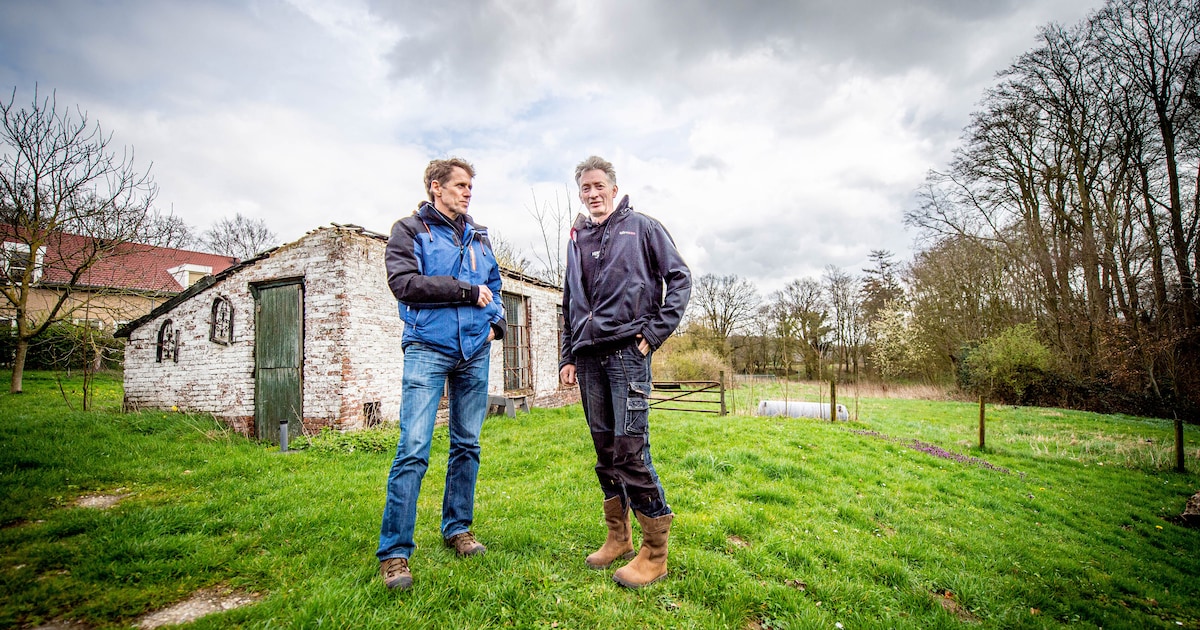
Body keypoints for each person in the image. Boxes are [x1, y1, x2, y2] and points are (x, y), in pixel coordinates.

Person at [559, 155, 691, 588]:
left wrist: (654, 333)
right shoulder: (577, 237)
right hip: (590, 358)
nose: (592, 194)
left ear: (614, 189)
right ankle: (619, 536)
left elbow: (680, 278)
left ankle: (656, 554)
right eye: (585, 189)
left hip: (628, 357)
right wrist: (568, 355)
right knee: (604, 453)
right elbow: (569, 302)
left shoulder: (644, 228)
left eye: (599, 186)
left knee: (631, 451)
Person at [377, 157, 506, 591]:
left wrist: (497, 324)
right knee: (413, 447)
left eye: (471, 186)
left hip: (474, 350)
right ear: (436, 186)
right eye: (461, 185)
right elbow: (405, 284)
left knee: (467, 444)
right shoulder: (409, 231)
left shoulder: (479, 236)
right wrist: (465, 292)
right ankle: (395, 552)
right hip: (427, 348)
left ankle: (458, 528)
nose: (468, 192)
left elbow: (496, 285)